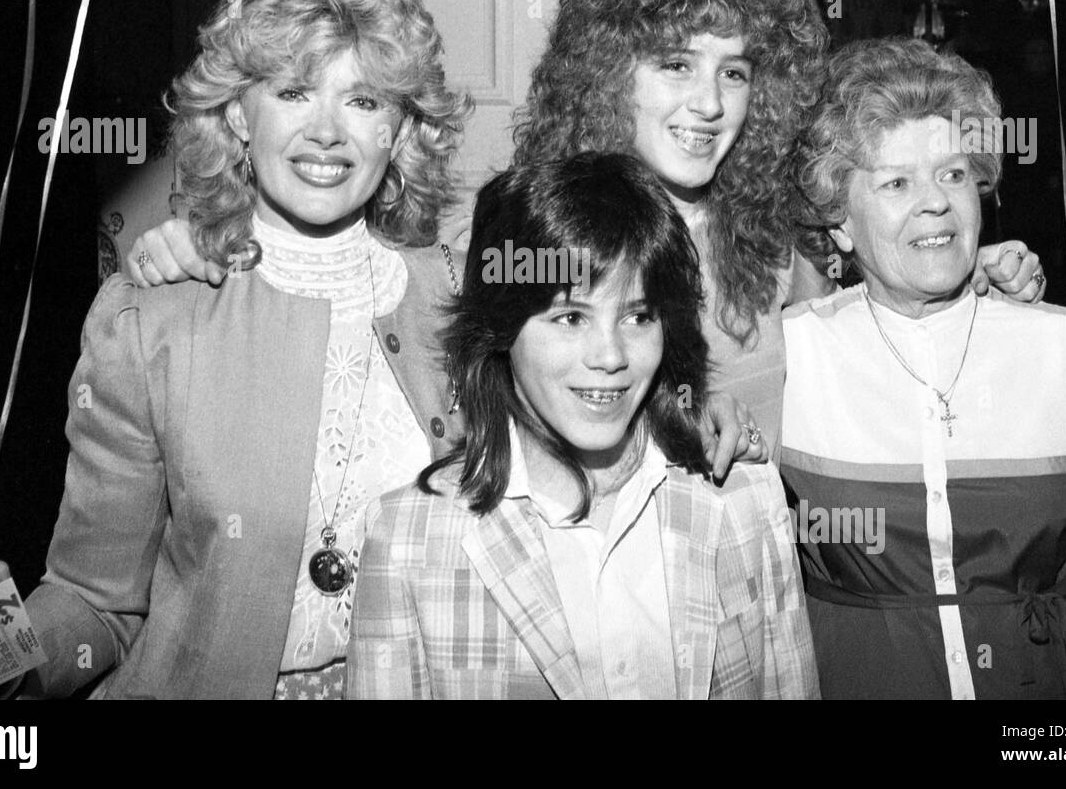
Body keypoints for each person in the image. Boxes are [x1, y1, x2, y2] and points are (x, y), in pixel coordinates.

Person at [123, 0, 1045, 465]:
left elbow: (883, 328)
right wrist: (197, 238)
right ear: (612, 75)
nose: (709, 103)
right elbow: (372, 280)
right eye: (676, 65)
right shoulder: (516, 227)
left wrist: (975, 284)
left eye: (736, 72)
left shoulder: (785, 243)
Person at [0, 0, 471, 699]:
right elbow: (98, 601)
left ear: (398, 129)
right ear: (238, 113)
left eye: (363, 100)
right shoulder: (152, 319)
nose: (327, 132)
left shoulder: (464, 303)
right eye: (293, 92)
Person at [347, 152, 818, 699]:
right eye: (570, 318)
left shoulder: (746, 499)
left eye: (638, 317)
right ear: (502, 326)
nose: (611, 356)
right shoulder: (408, 540)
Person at [782, 37, 1066, 699]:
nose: (935, 202)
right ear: (839, 218)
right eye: (897, 182)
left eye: (954, 174)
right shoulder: (791, 359)